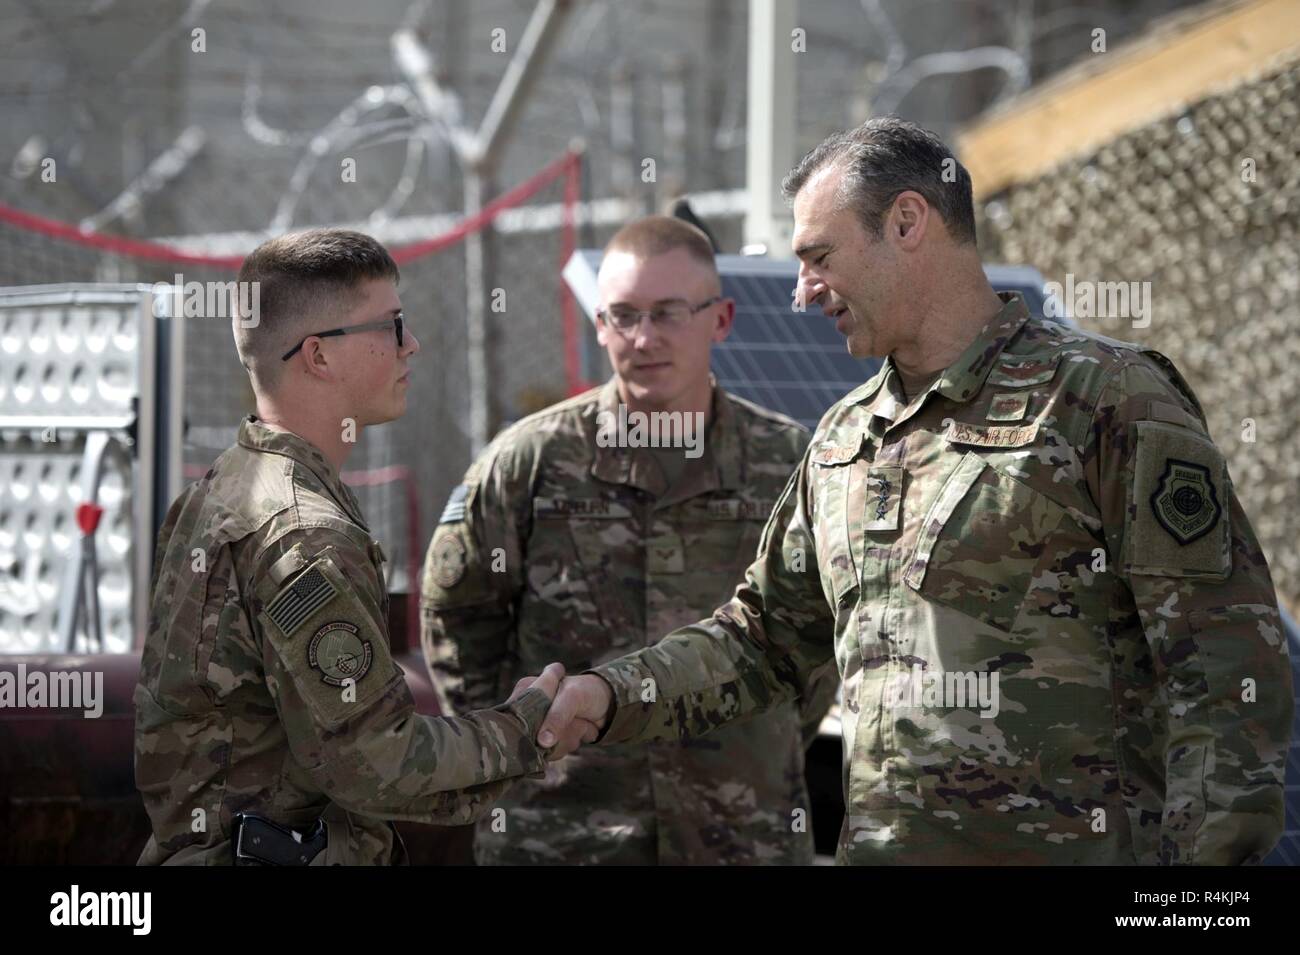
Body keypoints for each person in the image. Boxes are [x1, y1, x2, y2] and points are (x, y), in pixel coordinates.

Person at [529, 118, 1294, 865]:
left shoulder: (1104, 400)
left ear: (906, 222)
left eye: (819, 255)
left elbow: (1226, 667)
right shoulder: (841, 440)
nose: (801, 291)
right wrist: (609, 694)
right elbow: (759, 640)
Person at [133, 228, 585, 866]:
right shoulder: (306, 534)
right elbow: (378, 765)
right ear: (318, 356)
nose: (413, 345)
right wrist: (527, 727)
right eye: (393, 326)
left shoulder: (220, 489)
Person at [421, 216, 837, 865]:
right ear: (598, 326)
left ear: (721, 319)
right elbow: (457, 616)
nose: (644, 338)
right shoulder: (530, 463)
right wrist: (524, 743)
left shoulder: (791, 464)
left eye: (669, 313)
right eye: (623, 315)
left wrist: (758, 740)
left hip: (738, 831)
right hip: (566, 835)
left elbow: (815, 646)